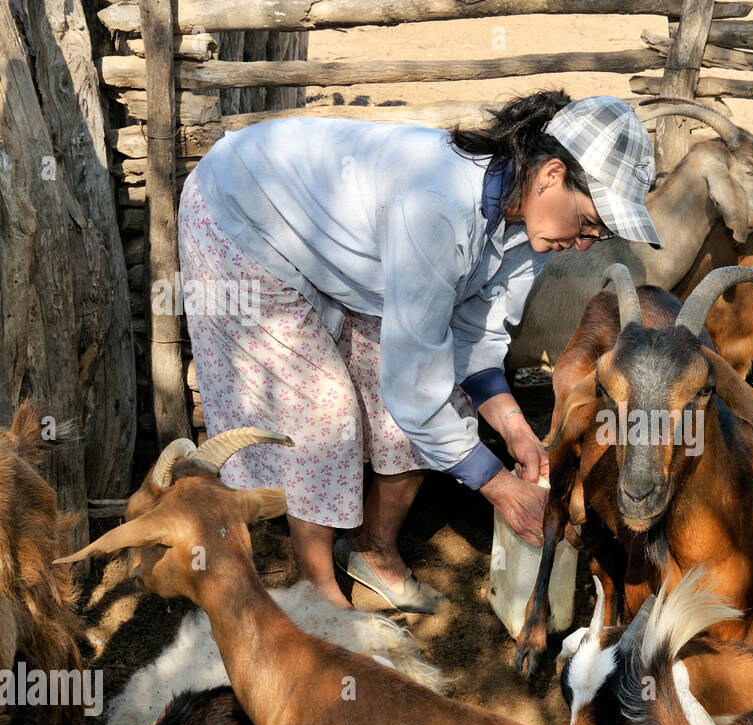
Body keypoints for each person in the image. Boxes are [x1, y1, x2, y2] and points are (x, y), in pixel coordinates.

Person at [177, 91, 660, 611]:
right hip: (243, 216)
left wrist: (516, 429)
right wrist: (498, 486)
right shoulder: (439, 211)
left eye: (598, 232)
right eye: (588, 221)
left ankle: (373, 554)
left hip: (342, 250)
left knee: (411, 414)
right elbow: (414, 386)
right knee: (324, 416)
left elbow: (475, 340)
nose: (586, 242)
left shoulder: (534, 233)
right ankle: (320, 606)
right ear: (550, 175)